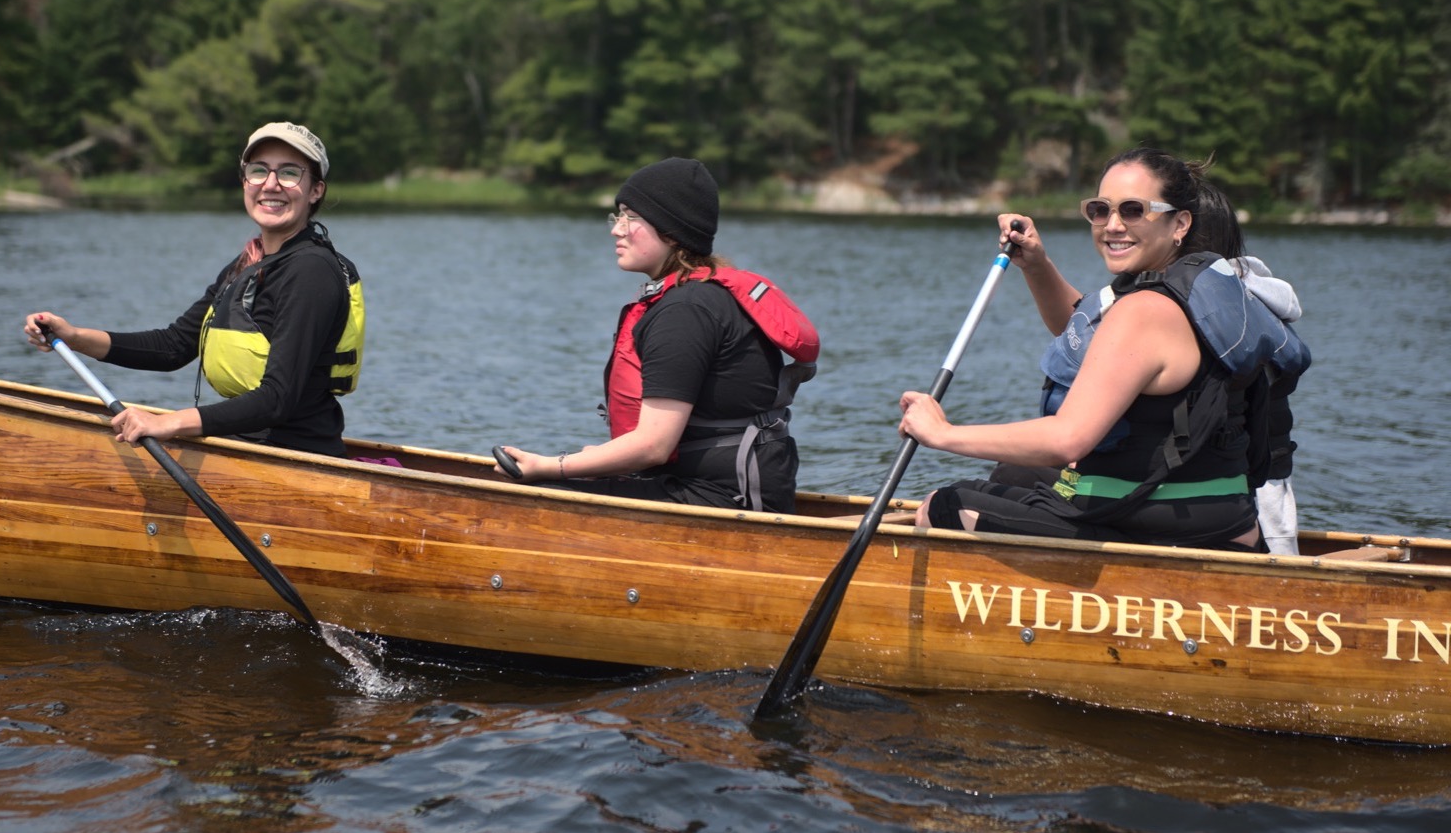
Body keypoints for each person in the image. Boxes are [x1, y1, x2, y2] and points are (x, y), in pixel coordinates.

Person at [897, 147, 1309, 550]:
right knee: (1015, 473)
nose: (1112, 225)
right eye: (1100, 210)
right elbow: (1093, 341)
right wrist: (1037, 265)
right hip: (1224, 516)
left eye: (1133, 210)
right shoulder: (1215, 299)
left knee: (942, 506)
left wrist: (942, 433)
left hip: (1170, 525)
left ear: (1181, 223)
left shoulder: (1144, 310)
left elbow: (1067, 440)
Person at [25, 122, 365, 458]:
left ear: (315, 190)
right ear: (245, 182)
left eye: (289, 173)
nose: (271, 184)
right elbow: (174, 346)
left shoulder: (310, 271)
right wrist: (73, 337)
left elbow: (278, 398)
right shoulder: (250, 262)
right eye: (259, 170)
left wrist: (169, 422)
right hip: (245, 445)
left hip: (293, 456)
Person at [496, 157, 818, 513]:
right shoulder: (697, 297)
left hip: (724, 499)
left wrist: (551, 466)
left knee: (532, 495)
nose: (616, 230)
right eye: (618, 216)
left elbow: (653, 446)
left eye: (631, 217)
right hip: (702, 484)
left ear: (671, 231)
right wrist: (599, 459)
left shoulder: (686, 312)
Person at [1189, 183, 1306, 554]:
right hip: (1271, 477)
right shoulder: (1259, 291)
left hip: (1240, 481)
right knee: (1279, 551)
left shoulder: (1210, 304)